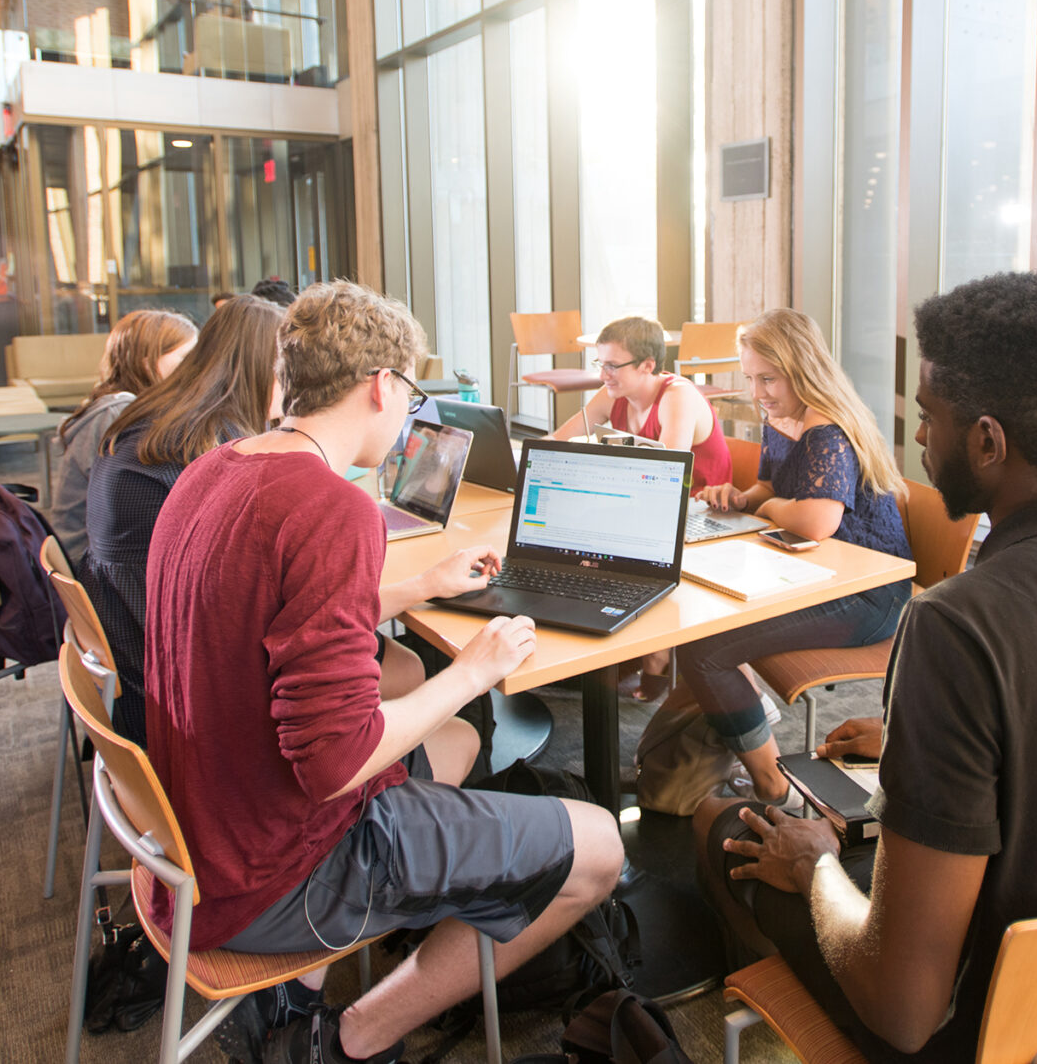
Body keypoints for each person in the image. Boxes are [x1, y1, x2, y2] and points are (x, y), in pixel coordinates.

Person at [694, 273, 1037, 1062]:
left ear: (987, 441)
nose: (918, 440)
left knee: (726, 830)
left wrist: (818, 868)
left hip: (1001, 1037)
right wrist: (919, 740)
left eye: (928, 418)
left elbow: (903, 1005)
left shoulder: (956, 626)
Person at [143, 280, 624, 1064]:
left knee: (459, 745)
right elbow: (334, 761)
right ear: (381, 385)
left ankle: (314, 981)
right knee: (599, 846)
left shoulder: (218, 467)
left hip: (196, 832)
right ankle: (347, 1039)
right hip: (273, 867)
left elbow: (269, 615)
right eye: (409, 392)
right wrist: (475, 667)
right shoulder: (333, 507)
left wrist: (419, 588)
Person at [687, 308, 912, 803]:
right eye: (749, 378)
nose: (757, 392)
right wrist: (743, 497)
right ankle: (749, 716)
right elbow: (770, 484)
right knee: (702, 622)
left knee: (702, 651)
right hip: (814, 571)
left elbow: (816, 521)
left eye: (768, 378)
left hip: (867, 595)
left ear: (803, 369)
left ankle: (774, 786)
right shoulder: (781, 417)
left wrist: (766, 505)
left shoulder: (826, 430)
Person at [83, 294, 283, 745]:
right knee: (400, 672)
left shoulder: (158, 422)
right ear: (261, 369)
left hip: (141, 668)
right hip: (187, 705)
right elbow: (265, 592)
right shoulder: (206, 448)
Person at [51, 310, 199, 569]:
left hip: (91, 558)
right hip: (90, 568)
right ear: (147, 362)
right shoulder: (119, 415)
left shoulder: (116, 406)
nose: (195, 369)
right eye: (185, 358)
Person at [550, 316, 733, 487]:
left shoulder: (678, 397)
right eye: (601, 364)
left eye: (612, 366)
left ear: (647, 366)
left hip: (697, 508)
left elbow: (665, 477)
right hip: (642, 500)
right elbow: (556, 441)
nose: (602, 375)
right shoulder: (613, 394)